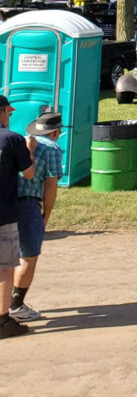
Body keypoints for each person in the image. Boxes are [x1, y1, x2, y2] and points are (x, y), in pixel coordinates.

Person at [9, 109, 63, 323]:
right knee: (28, 256)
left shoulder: (17, 141)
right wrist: (46, 214)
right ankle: (16, 304)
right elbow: (50, 185)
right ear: (56, 132)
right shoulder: (52, 149)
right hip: (28, 204)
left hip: (6, 201)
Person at [0, 94, 35, 339]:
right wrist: (30, 150)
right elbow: (29, 174)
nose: (9, 117)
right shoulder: (12, 139)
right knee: (5, 268)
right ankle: (3, 320)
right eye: (9, 113)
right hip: (3, 213)